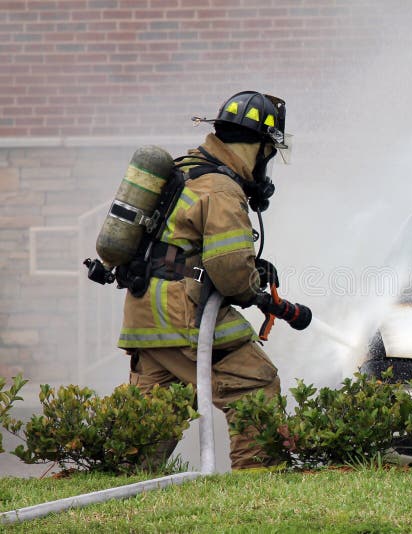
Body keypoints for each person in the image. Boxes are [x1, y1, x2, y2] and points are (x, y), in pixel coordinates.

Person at [119, 91, 297, 470]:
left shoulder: (186, 170)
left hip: (145, 313)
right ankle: (260, 484)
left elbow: (183, 247)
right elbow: (232, 274)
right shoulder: (221, 189)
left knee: (153, 417)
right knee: (256, 381)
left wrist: (253, 271)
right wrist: (253, 286)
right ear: (261, 147)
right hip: (184, 312)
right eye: (268, 152)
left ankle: (127, 484)